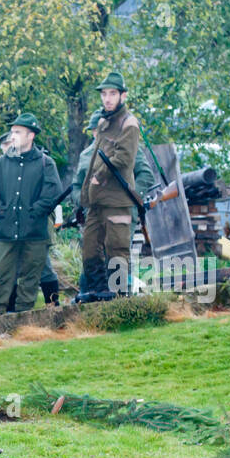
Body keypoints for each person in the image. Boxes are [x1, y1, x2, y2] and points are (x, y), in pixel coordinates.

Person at [0, 113, 62, 316]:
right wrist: (1, 210)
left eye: (18, 132)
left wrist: (34, 213)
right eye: (13, 131)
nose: (13, 135)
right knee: (2, 276)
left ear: (31, 135)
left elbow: (53, 193)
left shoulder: (46, 163)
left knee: (30, 279)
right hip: (8, 232)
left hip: (35, 232)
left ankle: (24, 319)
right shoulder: (0, 164)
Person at [70, 111, 157, 300]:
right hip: (95, 211)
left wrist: (132, 195)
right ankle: (94, 297)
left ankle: (120, 299)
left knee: (117, 252)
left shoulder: (126, 148)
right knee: (92, 253)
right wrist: (83, 200)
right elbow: (77, 185)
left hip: (121, 209)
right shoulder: (86, 155)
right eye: (95, 130)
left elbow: (146, 175)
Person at [80, 71, 141, 297]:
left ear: (123, 96)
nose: (107, 98)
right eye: (104, 94)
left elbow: (124, 159)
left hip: (117, 200)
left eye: (112, 94)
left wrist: (99, 176)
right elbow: (95, 158)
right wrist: (86, 193)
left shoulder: (129, 123)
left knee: (117, 250)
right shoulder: (104, 122)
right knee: (89, 249)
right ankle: (97, 293)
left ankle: (118, 298)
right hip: (97, 200)